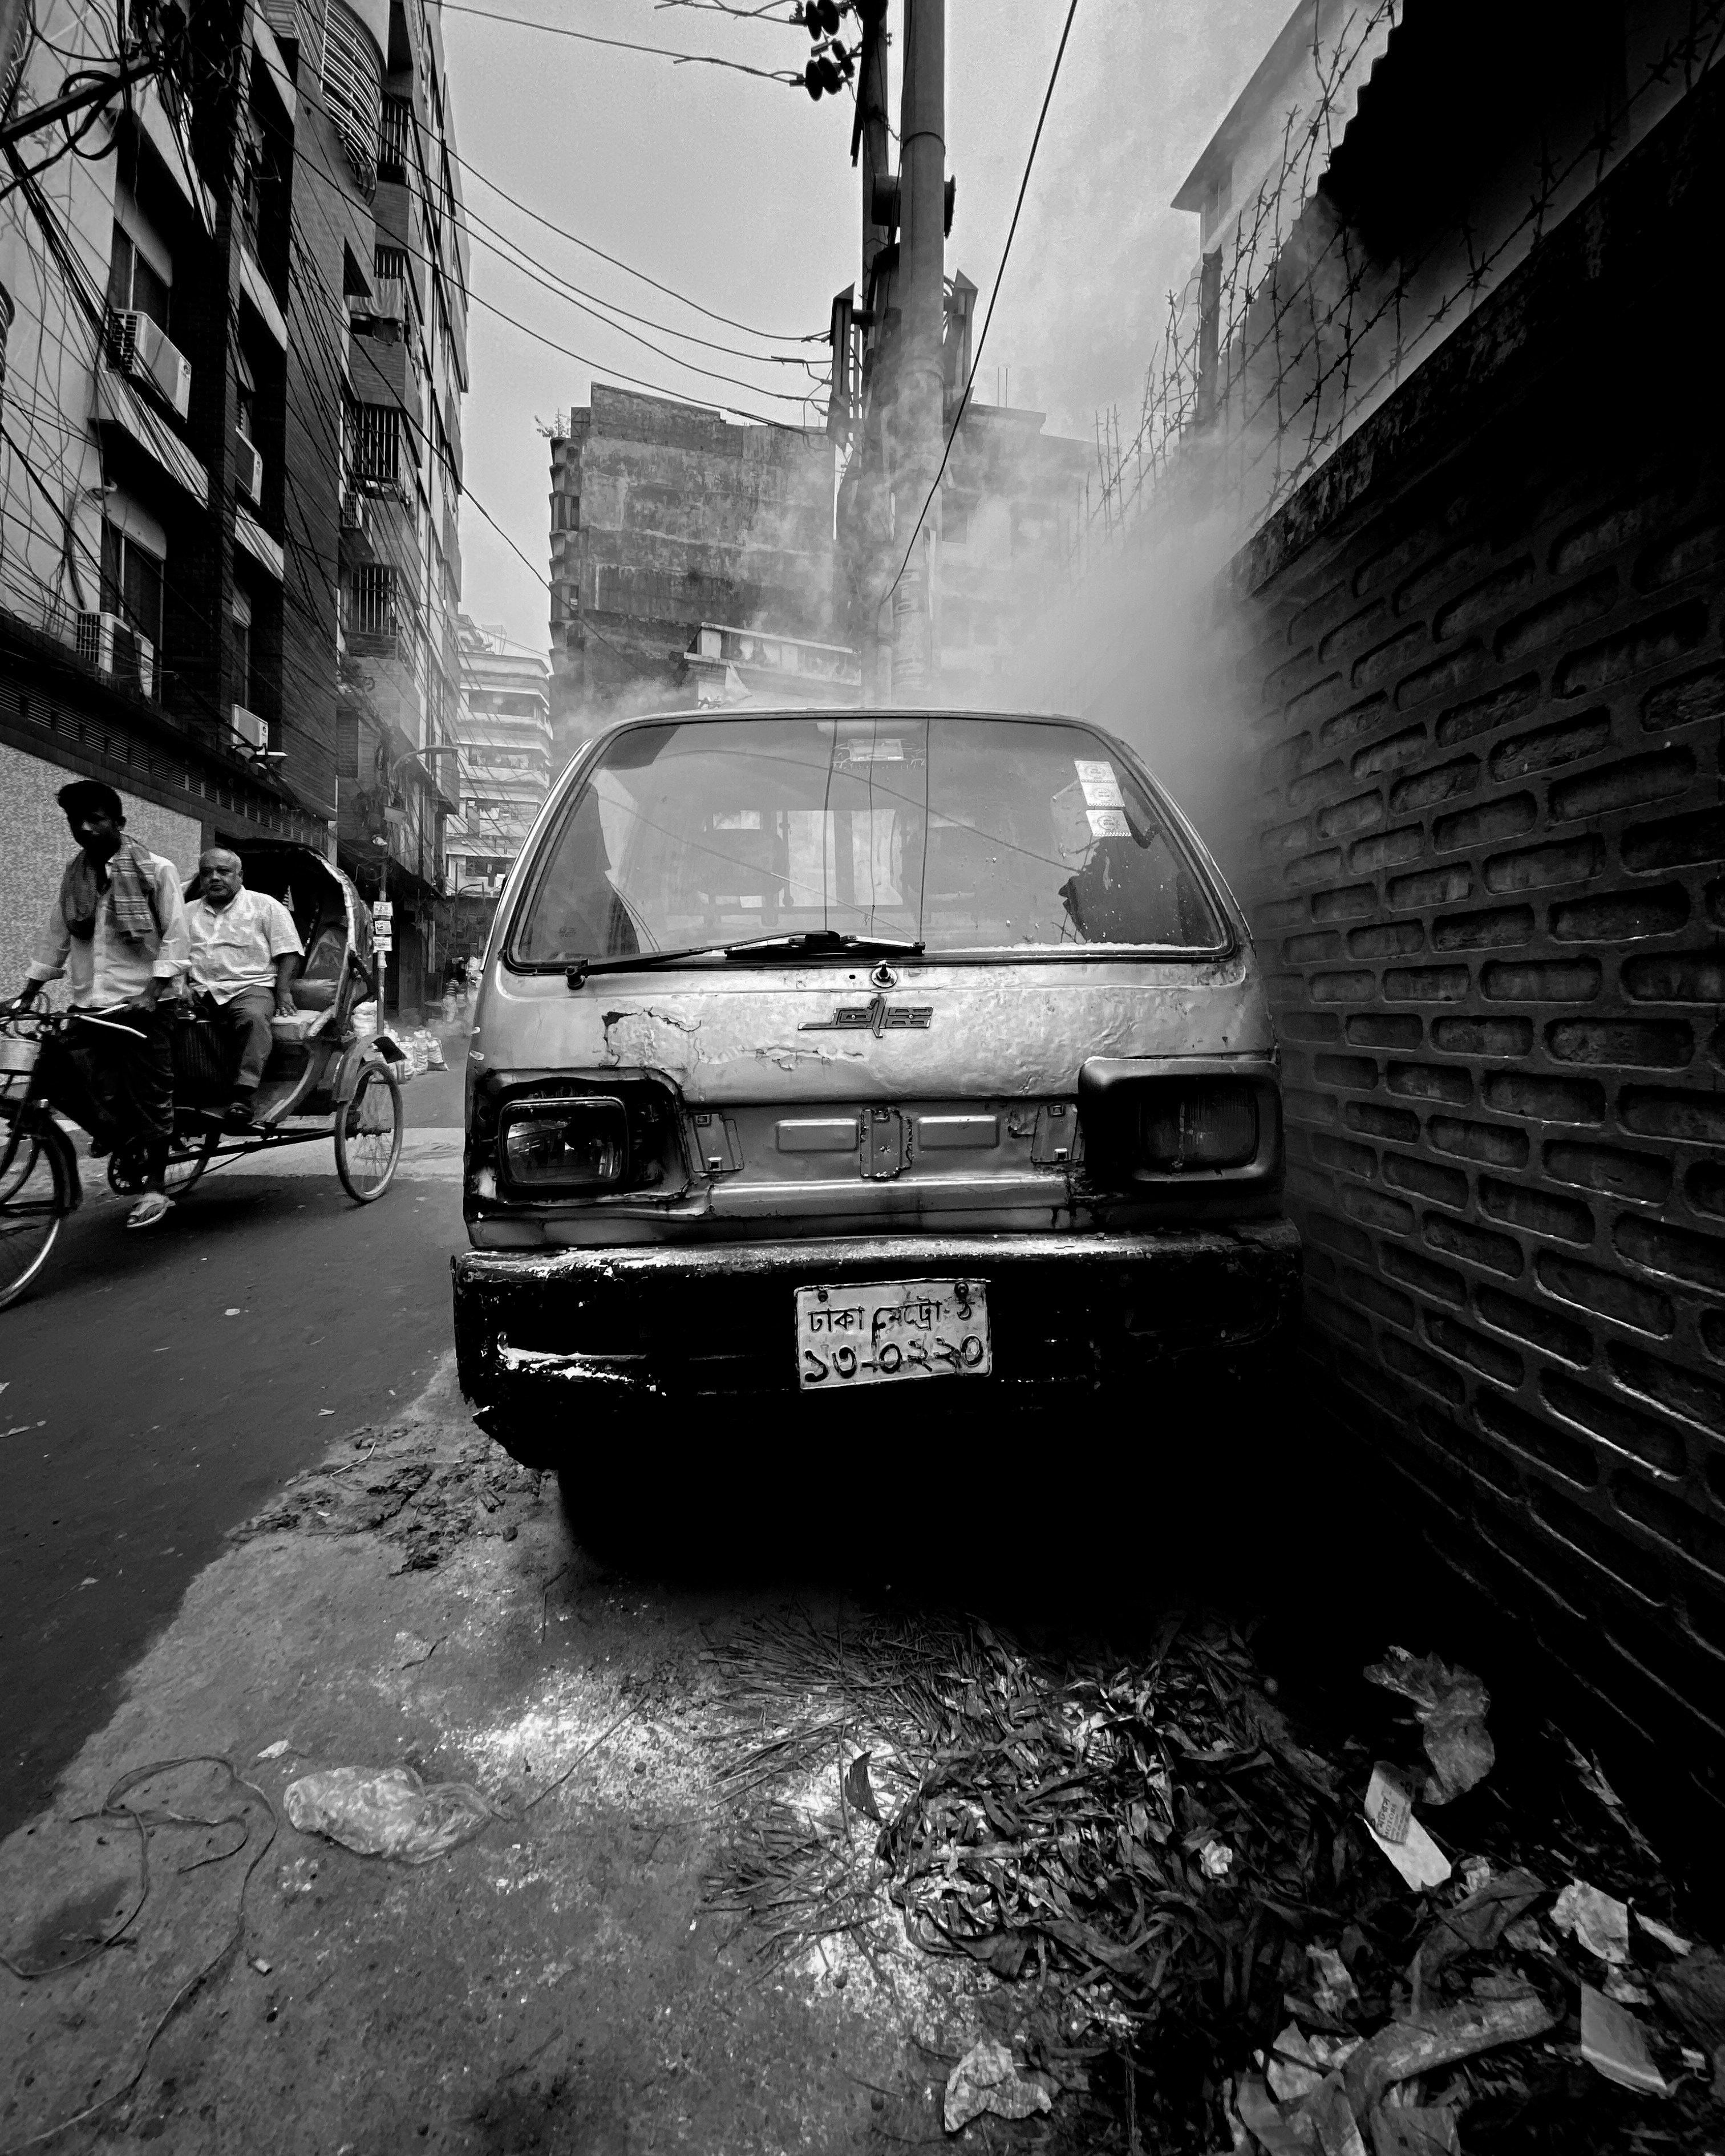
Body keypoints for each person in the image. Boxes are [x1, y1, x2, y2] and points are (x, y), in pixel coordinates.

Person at [6, 781, 189, 1229]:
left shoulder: (155, 869)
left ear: (119, 823)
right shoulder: (75, 877)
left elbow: (177, 938)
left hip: (147, 1004)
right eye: (76, 822)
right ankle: (113, 1134)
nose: (85, 829)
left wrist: (152, 993)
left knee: (150, 1094)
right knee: (62, 1070)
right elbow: (56, 938)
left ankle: (156, 1188)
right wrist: (26, 993)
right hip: (93, 1003)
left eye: (96, 819)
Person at [183, 848, 303, 1129]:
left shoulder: (265, 906)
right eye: (207, 873)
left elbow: (290, 952)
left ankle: (242, 1095)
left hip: (250, 986)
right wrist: (181, 985)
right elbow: (174, 955)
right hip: (200, 989)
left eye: (223, 872)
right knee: (166, 1023)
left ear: (239, 876)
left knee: (253, 1018)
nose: (215, 878)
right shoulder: (187, 912)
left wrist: (283, 991)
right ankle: (186, 1091)